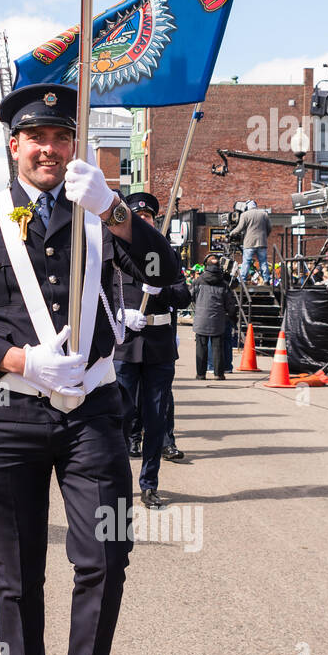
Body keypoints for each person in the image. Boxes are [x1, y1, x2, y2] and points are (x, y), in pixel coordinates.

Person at [0, 83, 181, 655]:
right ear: (13, 145)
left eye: (61, 137)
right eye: (36, 137)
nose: (50, 149)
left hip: (93, 414)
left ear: (75, 145)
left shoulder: (99, 209)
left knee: (107, 556)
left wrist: (118, 212)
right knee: (17, 573)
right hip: (12, 414)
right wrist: (18, 358)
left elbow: (172, 277)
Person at [112, 193, 192, 510]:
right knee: (120, 417)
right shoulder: (114, 252)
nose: (144, 221)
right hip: (126, 343)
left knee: (155, 418)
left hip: (158, 344)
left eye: (148, 218)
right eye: (138, 217)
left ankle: (149, 484)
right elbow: (100, 293)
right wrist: (119, 313)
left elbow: (184, 296)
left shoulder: (166, 254)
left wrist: (165, 289)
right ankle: (118, 486)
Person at [192, 254, 238, 379]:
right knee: (218, 347)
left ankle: (201, 374)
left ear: (205, 265)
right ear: (219, 266)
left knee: (201, 347)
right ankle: (219, 374)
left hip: (201, 318)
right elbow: (230, 304)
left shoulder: (198, 281)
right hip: (218, 320)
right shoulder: (223, 284)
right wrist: (234, 318)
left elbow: (190, 296)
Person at [229, 201, 271, 283]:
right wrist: (265, 236)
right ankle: (266, 279)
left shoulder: (245, 215)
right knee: (263, 262)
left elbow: (240, 228)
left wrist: (231, 233)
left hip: (249, 243)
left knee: (246, 262)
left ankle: (242, 279)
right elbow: (269, 228)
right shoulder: (264, 214)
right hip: (262, 242)